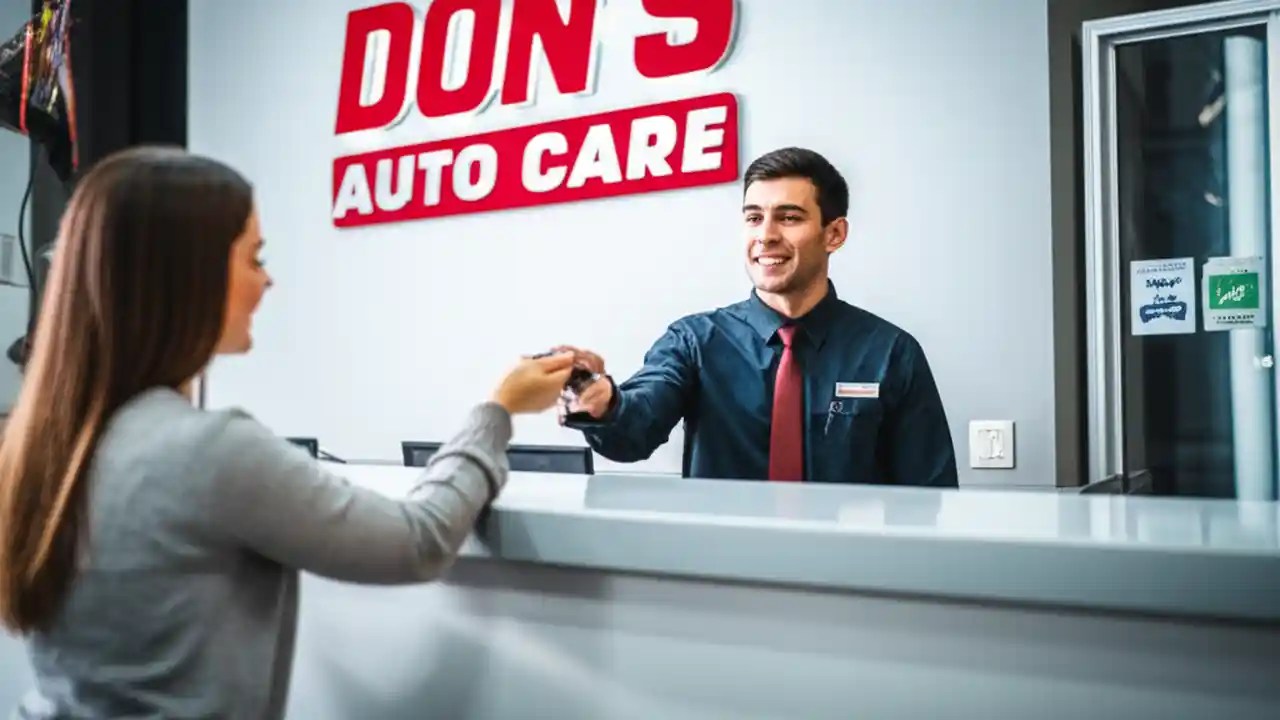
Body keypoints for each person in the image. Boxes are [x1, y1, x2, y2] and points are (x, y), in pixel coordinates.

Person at [0, 147, 582, 719]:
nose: (268, 281)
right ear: (189, 277)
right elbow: (418, 541)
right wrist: (498, 409)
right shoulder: (207, 451)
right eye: (254, 259)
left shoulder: (49, 444)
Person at [561, 147, 958, 487]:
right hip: (723, 569)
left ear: (834, 234)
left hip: (849, 570)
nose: (765, 236)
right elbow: (635, 429)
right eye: (753, 218)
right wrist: (605, 404)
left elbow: (929, 496)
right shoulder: (694, 342)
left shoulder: (891, 352)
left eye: (789, 218)